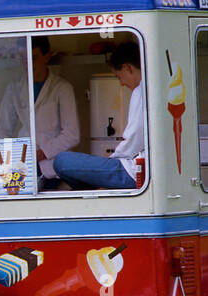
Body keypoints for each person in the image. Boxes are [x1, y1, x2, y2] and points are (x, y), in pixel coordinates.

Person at [51, 42, 145, 190]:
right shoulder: (151, 88)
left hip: (131, 172)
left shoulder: (141, 90)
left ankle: (98, 187)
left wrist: (112, 160)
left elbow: (135, 136)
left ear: (127, 68)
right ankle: (98, 188)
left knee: (61, 161)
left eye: (119, 77)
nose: (121, 83)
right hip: (135, 166)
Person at [0, 36, 80, 185]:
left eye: (34, 58)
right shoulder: (14, 88)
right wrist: (4, 159)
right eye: (23, 58)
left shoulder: (62, 88)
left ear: (47, 57)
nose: (28, 64)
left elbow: (72, 135)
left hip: (54, 166)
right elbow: (2, 130)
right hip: (22, 165)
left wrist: (41, 153)